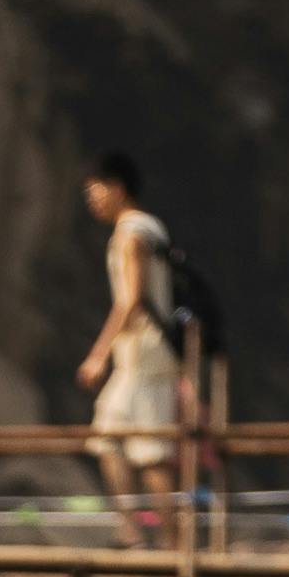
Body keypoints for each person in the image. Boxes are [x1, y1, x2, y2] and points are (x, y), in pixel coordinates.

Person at [77, 147, 184, 534]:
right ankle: (133, 534)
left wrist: (97, 354)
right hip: (142, 355)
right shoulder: (150, 228)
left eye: (96, 189)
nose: (92, 198)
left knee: (150, 452)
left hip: (145, 353)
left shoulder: (131, 233)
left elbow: (131, 298)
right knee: (110, 436)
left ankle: (170, 545)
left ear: (117, 188)